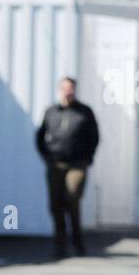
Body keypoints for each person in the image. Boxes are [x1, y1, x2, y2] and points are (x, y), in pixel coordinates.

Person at [35, 76, 100, 258]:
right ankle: (60, 243)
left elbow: (94, 137)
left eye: (71, 88)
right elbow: (40, 135)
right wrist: (46, 156)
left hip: (77, 164)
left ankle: (78, 242)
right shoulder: (51, 112)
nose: (68, 91)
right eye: (65, 88)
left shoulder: (84, 112)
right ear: (60, 90)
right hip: (55, 164)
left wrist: (88, 157)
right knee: (55, 204)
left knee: (71, 198)